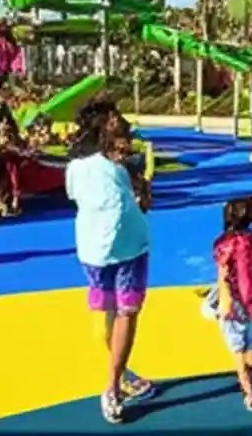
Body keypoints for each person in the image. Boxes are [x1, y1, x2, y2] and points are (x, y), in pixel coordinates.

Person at [65, 98, 153, 423]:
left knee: (111, 312)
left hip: (93, 250)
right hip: (128, 248)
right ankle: (114, 384)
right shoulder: (116, 168)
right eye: (115, 120)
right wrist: (138, 192)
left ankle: (119, 377)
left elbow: (77, 196)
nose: (121, 124)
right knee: (125, 314)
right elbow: (129, 205)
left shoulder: (76, 168)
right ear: (103, 127)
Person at [213, 196, 252, 412]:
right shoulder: (228, 244)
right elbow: (222, 273)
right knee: (238, 348)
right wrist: (226, 298)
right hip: (238, 304)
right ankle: (248, 389)